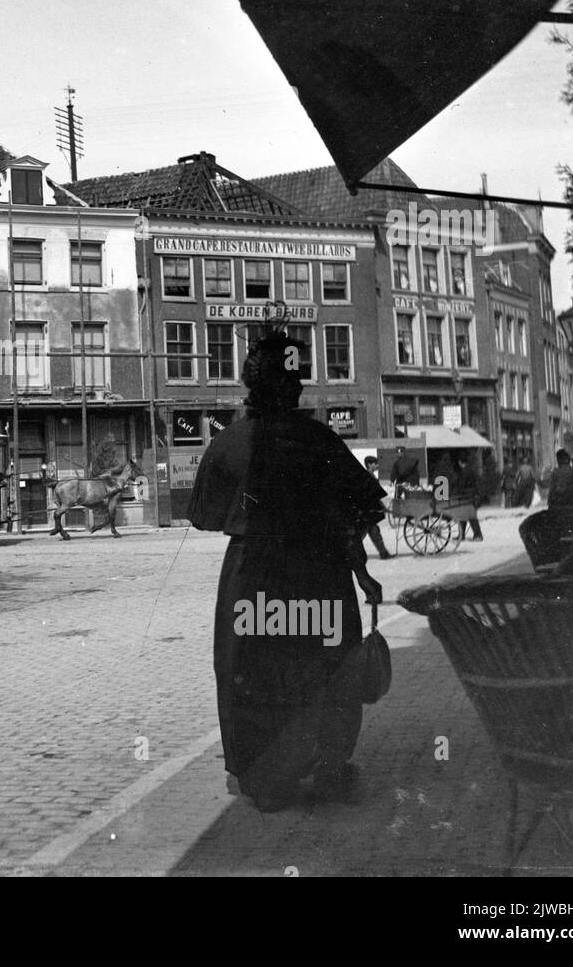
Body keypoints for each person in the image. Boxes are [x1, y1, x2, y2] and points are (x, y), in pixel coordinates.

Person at [188, 329, 386, 812]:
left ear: (248, 385)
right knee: (326, 667)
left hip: (252, 579)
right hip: (320, 574)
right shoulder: (321, 440)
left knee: (250, 673)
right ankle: (327, 766)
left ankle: (265, 778)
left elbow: (206, 516)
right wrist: (360, 571)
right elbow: (359, 513)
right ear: (296, 386)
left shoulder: (228, 445)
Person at [362, 456, 393, 560]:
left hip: (368, 510)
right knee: (365, 532)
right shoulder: (368, 477)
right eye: (375, 463)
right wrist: (379, 506)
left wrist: (381, 506)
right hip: (367, 510)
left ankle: (383, 553)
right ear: (369, 464)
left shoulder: (369, 476)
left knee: (373, 531)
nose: (377, 465)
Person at [456, 454, 484, 541]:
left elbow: (462, 484)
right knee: (464, 516)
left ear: (460, 462)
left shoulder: (465, 471)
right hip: (472, 495)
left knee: (470, 516)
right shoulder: (470, 469)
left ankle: (477, 535)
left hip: (467, 496)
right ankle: (462, 534)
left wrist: (457, 493)